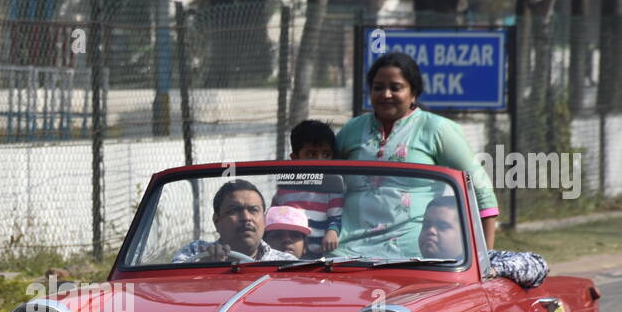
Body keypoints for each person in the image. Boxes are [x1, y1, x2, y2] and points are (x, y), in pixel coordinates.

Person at [337, 51, 500, 250]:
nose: (385, 95)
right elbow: (323, 184)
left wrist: (487, 257)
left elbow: (481, 188)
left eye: (395, 88)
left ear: (413, 93)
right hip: (346, 252)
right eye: (378, 87)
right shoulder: (351, 130)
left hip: (416, 255)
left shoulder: (436, 129)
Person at [418, 197, 549, 288]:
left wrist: (494, 270)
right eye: (426, 225)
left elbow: (537, 263)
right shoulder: (408, 261)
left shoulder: (481, 261)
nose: (431, 231)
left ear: (466, 233)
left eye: (442, 226)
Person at [173, 180, 296, 263]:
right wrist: (204, 268)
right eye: (234, 210)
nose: (246, 217)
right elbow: (173, 290)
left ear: (264, 220)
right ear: (216, 220)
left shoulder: (285, 263)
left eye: (253, 210)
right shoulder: (195, 253)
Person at [273, 119, 344, 257]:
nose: (320, 161)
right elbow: (274, 217)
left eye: (326, 154)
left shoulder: (333, 184)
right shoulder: (286, 186)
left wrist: (332, 232)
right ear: (295, 158)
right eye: (312, 154)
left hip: (320, 253)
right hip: (287, 253)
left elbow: (335, 216)